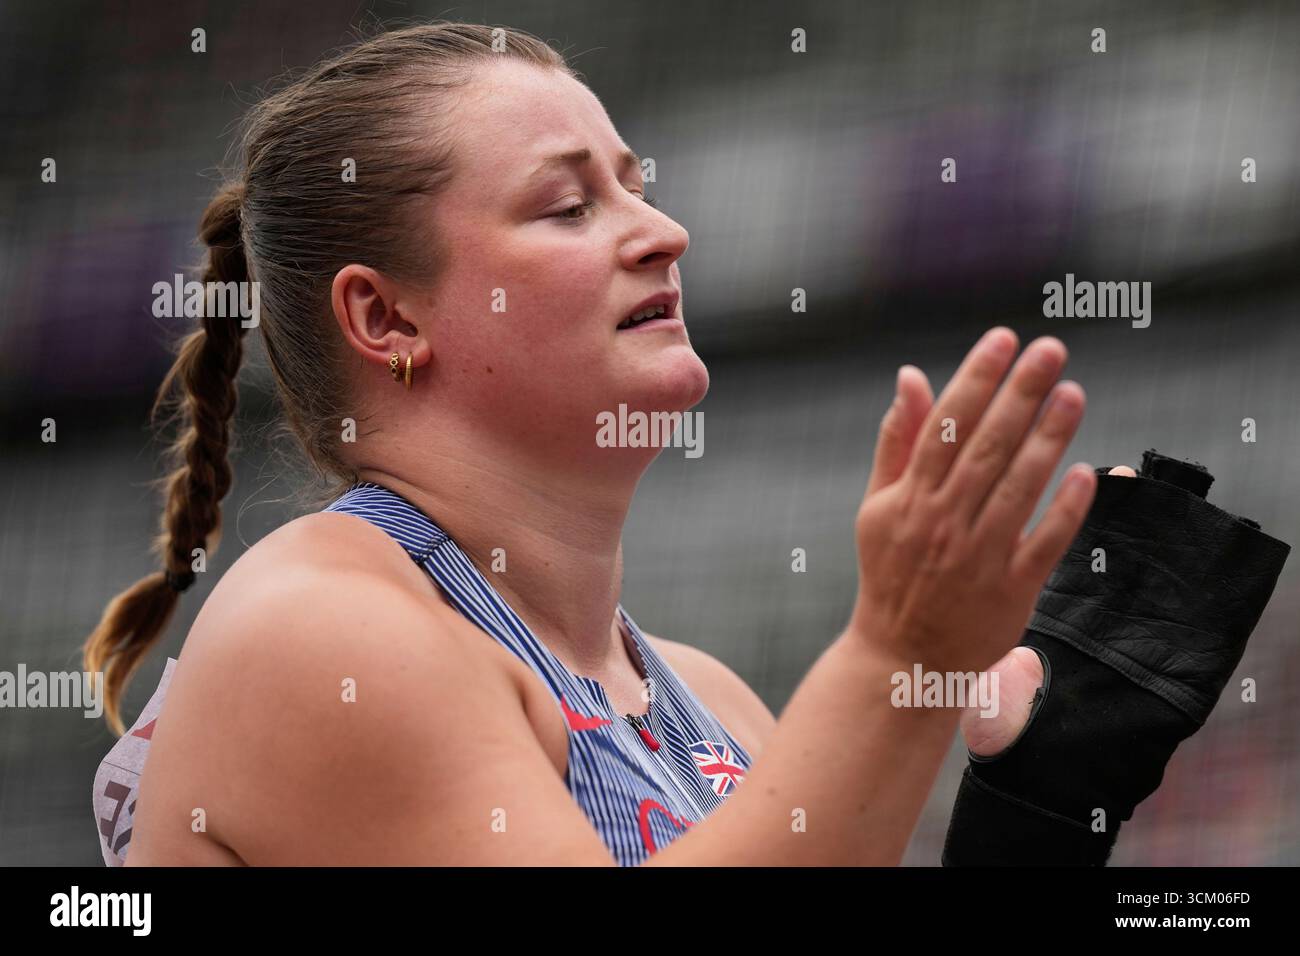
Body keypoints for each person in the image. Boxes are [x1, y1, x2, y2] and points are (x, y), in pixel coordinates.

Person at [85, 22, 1131, 866]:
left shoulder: (710, 700)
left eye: (635, 184)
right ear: (388, 321)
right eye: (571, 204)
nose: (661, 229)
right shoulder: (314, 627)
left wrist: (1034, 794)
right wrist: (896, 654)